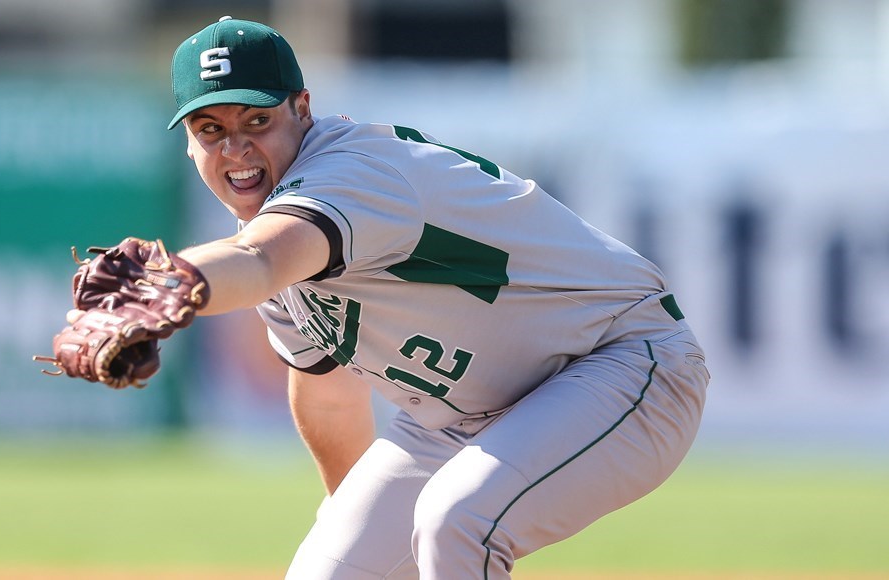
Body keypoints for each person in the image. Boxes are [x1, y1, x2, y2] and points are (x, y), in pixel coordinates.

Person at [167, 16, 709, 579]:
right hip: (467, 413)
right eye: (210, 129)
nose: (236, 147)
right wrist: (355, 537)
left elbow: (258, 261)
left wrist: (167, 281)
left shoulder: (346, 174)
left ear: (302, 109)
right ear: (188, 144)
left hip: (621, 361)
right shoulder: (274, 232)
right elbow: (329, 398)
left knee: (457, 521)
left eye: (257, 119)